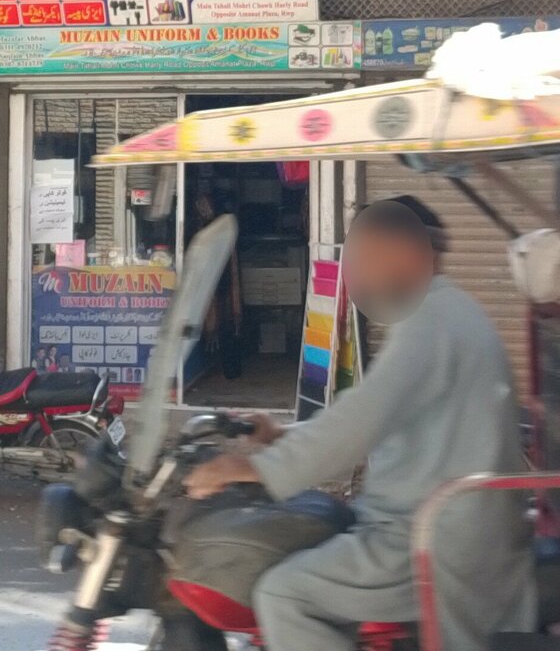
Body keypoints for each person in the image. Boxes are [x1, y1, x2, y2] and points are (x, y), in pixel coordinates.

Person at [185, 197, 535, 651]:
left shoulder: (429, 321)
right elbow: (384, 417)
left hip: (426, 540)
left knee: (282, 594)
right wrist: (280, 437)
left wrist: (253, 469)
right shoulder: (448, 311)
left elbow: (358, 421)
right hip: (442, 524)